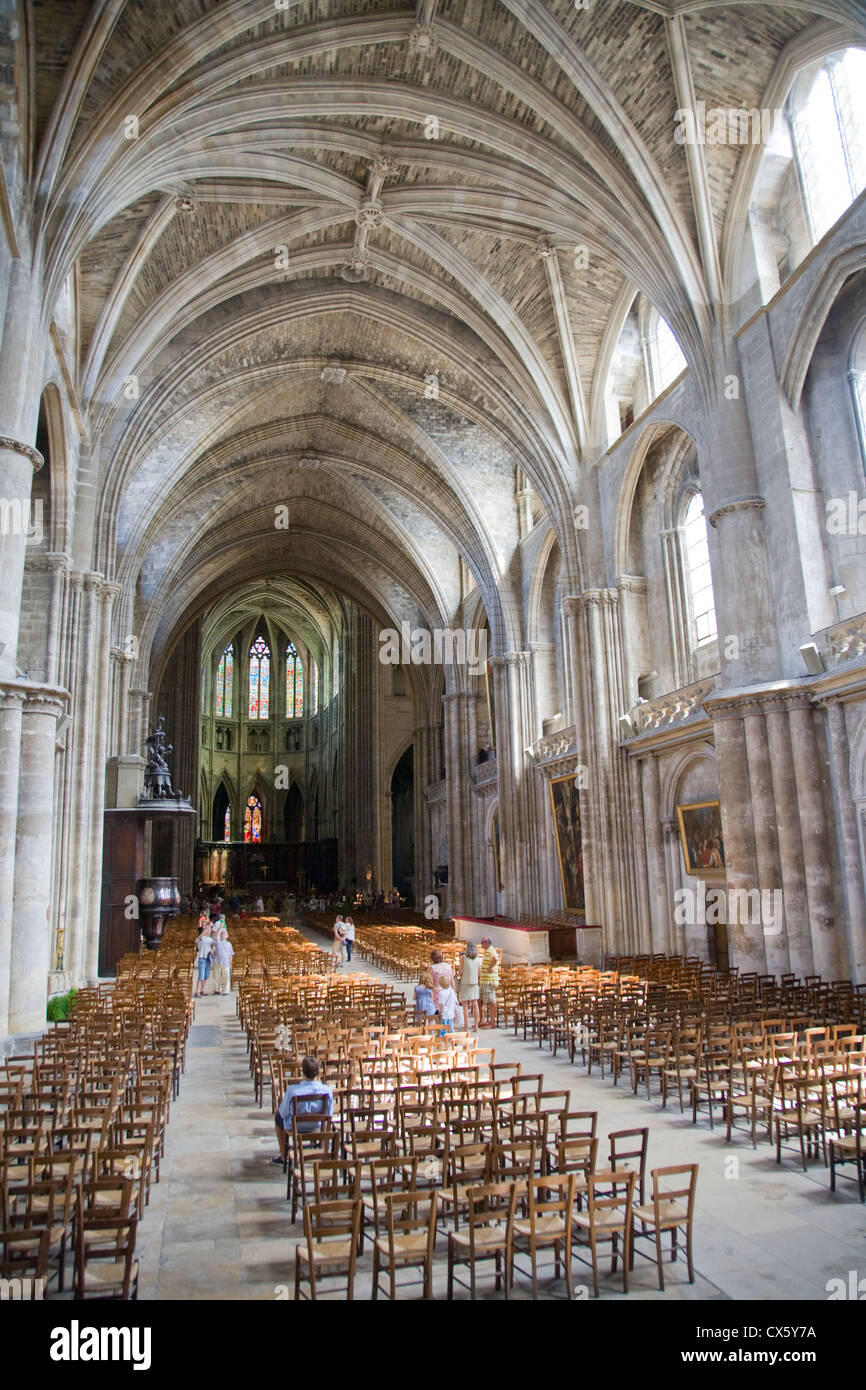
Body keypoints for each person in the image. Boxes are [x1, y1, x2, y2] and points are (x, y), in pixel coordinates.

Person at [273, 1057, 334, 1165]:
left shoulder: (293, 1091)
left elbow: (283, 1113)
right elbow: (329, 1114)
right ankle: (323, 1153)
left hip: (296, 1127)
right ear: (318, 1072)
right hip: (317, 1125)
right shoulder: (327, 1090)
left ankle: (284, 1156)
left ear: (302, 1072)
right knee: (327, 1124)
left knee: (278, 1118)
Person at [457, 941, 481, 1031]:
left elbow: (460, 971)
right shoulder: (478, 959)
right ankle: (476, 1026)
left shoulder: (463, 958)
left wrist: (457, 976)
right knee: (475, 1004)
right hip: (474, 983)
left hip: (465, 983)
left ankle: (466, 1026)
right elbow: (479, 973)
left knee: (465, 1005)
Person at [479, 937, 501, 1028]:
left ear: (487, 943)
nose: (481, 944)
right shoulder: (487, 951)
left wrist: (489, 968)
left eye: (482, 942)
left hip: (489, 980)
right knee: (481, 1000)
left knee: (491, 1001)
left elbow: (495, 959)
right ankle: (483, 1020)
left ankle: (492, 1022)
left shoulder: (491, 951)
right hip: (484, 980)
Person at [195, 923, 214, 997]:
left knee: (206, 976)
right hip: (202, 958)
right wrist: (206, 928)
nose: (209, 932)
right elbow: (198, 939)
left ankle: (202, 989)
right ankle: (197, 991)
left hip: (208, 958)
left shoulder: (210, 939)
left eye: (210, 930)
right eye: (208, 930)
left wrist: (212, 952)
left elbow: (212, 947)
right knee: (201, 975)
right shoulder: (201, 938)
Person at [212, 929, 234, 995]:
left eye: (225, 934)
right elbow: (215, 936)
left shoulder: (229, 944)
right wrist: (219, 929)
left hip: (226, 962)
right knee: (216, 976)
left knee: (226, 976)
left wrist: (230, 963)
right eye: (222, 934)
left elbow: (231, 954)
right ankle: (217, 990)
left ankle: (226, 990)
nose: (223, 935)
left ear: (227, 936)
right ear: (220, 935)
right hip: (217, 961)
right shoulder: (217, 942)